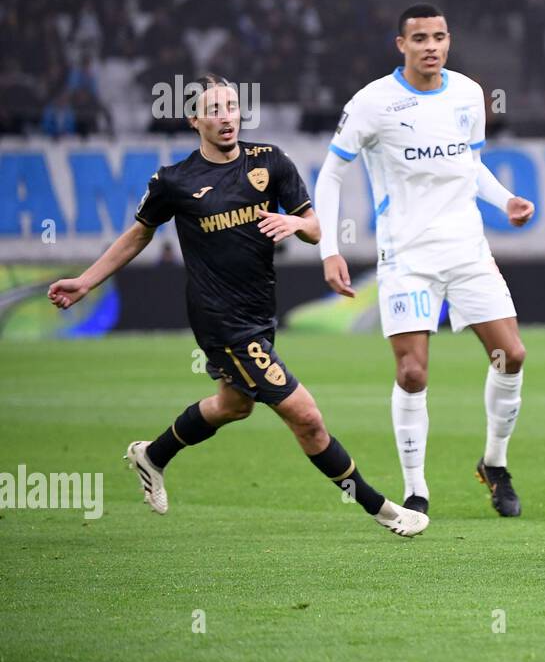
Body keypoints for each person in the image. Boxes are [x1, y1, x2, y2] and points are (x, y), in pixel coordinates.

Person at [47, 74, 427, 536]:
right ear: (194, 119)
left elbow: (313, 227)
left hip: (258, 314)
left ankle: (153, 454)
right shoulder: (175, 181)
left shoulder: (270, 161)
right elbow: (138, 235)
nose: (226, 116)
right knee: (306, 418)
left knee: (233, 406)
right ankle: (383, 509)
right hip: (220, 322)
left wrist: (293, 224)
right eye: (214, 109)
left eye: (231, 106)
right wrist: (86, 282)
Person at [314, 4, 536, 518]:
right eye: (419, 38)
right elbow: (330, 174)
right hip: (407, 257)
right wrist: (330, 250)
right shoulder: (373, 103)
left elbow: (470, 163)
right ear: (401, 45)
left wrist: (505, 201)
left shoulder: (466, 94)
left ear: (449, 40)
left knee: (512, 356)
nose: (430, 46)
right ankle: (416, 489)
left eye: (439, 36)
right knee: (413, 373)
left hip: (467, 250)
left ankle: (494, 464)